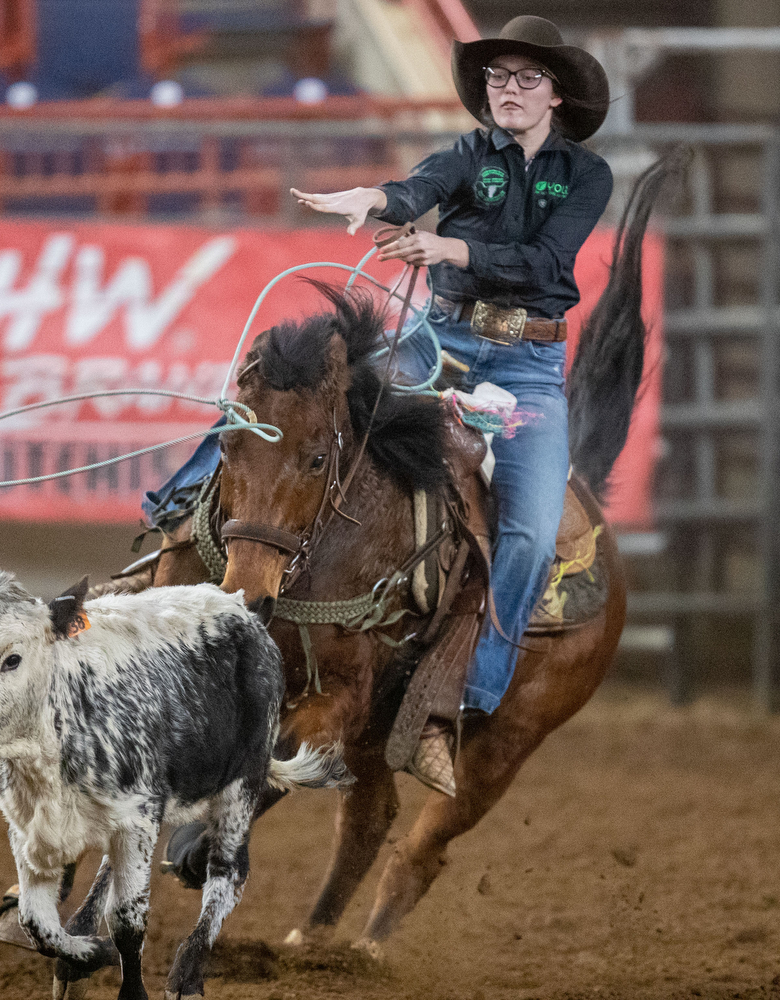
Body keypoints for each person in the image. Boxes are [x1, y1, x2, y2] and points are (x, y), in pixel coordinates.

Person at [290, 15, 612, 788]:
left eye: (526, 77)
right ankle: (220, 562)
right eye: (498, 77)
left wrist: (445, 248)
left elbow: (546, 258)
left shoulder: (585, 177)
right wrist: (376, 198)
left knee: (532, 535)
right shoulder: (470, 154)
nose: (508, 89)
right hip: (445, 343)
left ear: (556, 95)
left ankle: (465, 702)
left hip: (530, 364)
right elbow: (419, 188)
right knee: (314, 413)